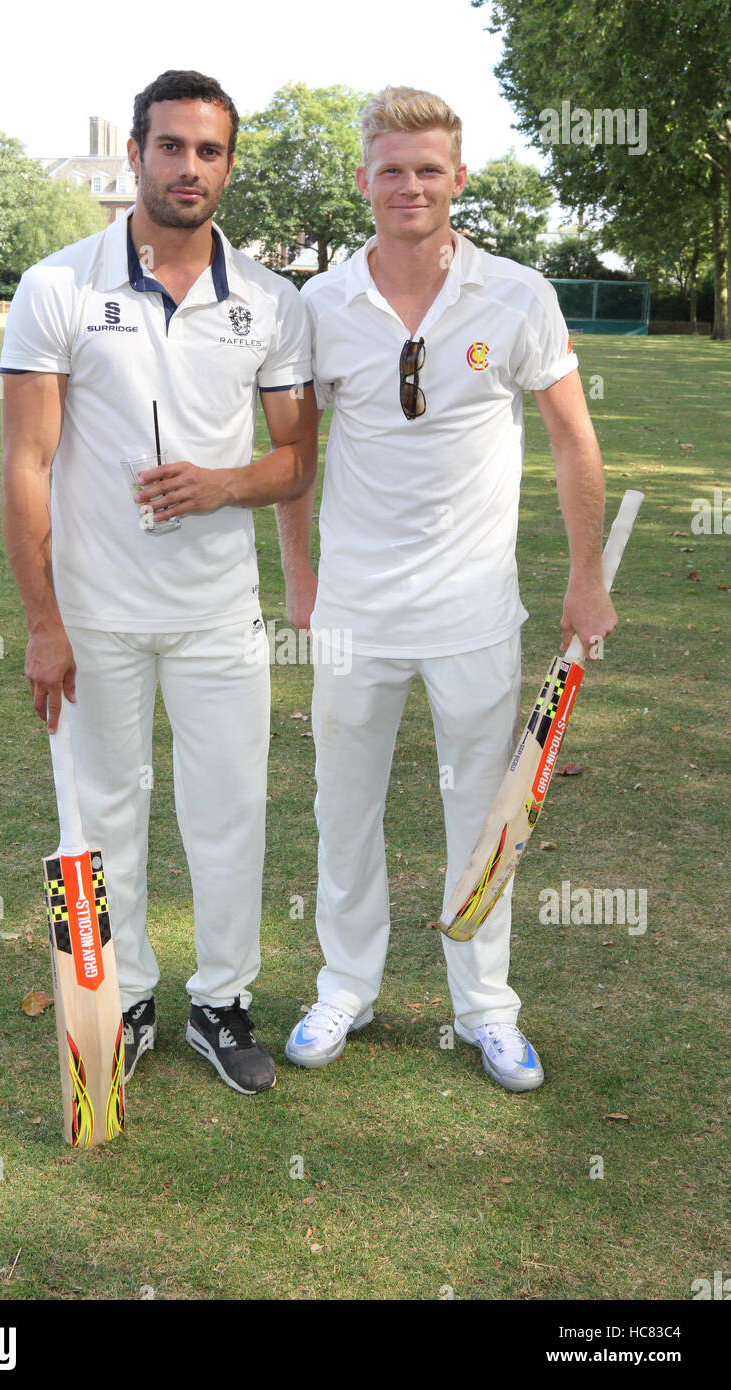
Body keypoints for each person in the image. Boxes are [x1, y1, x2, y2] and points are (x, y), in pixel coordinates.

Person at [276, 86, 616, 1092]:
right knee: (344, 807)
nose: (409, 185)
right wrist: (299, 574)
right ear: (362, 180)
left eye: (428, 168)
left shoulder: (516, 293)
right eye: (391, 168)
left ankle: (484, 1009)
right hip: (353, 609)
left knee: (483, 814)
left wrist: (584, 577)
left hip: (473, 607)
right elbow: (294, 453)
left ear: (456, 178)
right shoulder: (319, 303)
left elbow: (569, 437)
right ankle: (345, 984)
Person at [0, 70, 316, 1096]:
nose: (190, 167)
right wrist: (43, 625)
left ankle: (220, 1002)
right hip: (94, 614)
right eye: (171, 146)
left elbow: (295, 462)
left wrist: (222, 484)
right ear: (135, 153)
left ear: (228, 164)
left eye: (209, 151)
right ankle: (124, 997)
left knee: (228, 808)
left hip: (219, 613)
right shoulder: (57, 285)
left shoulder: (271, 300)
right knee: (106, 810)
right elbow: (26, 466)